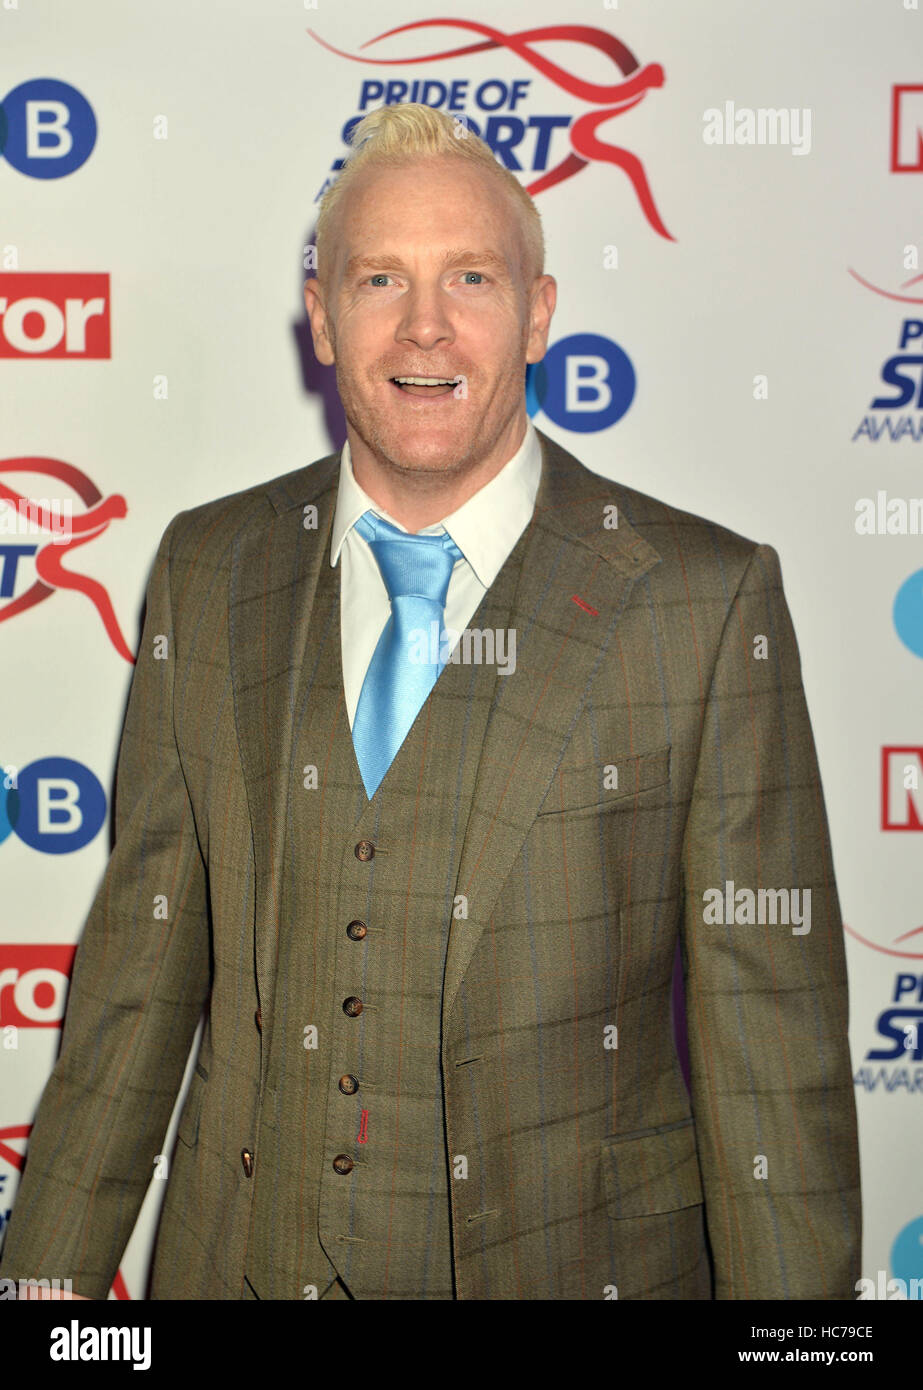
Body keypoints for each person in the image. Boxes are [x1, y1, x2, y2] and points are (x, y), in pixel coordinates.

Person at [0, 102, 860, 1300]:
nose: (424, 326)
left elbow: (773, 1056)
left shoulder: (698, 604)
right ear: (320, 318)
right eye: (376, 280)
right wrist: (43, 1296)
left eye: (469, 276)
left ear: (538, 315)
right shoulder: (208, 569)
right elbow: (135, 982)